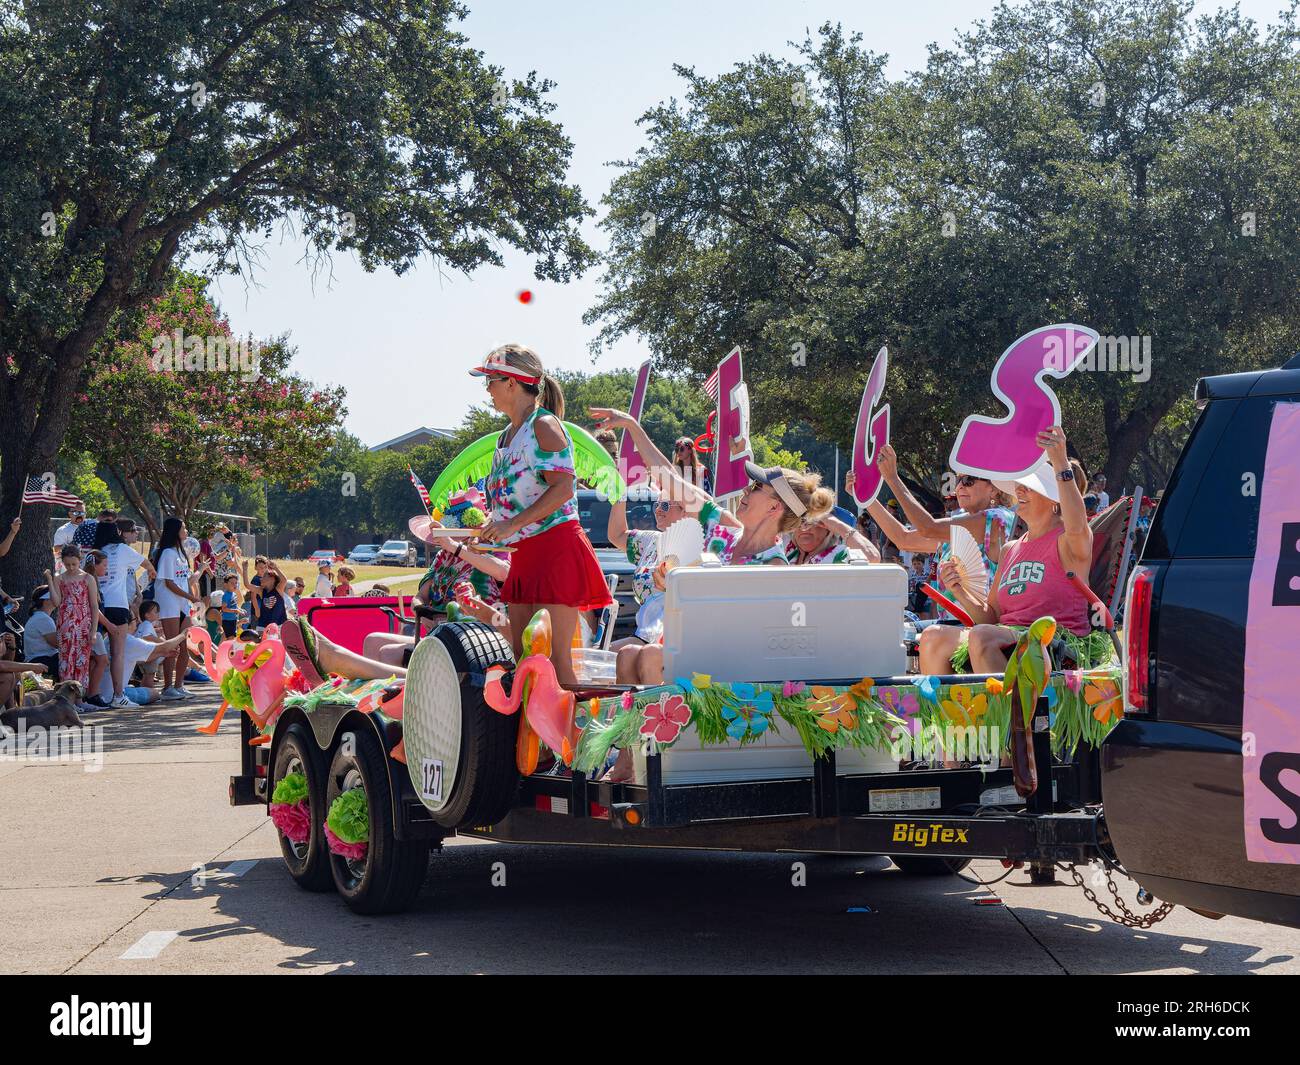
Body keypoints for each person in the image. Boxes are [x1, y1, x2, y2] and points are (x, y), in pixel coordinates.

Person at [472, 344, 611, 687]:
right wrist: (488, 530)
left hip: (555, 549)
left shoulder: (544, 425)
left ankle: (578, 739)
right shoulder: (506, 435)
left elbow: (564, 488)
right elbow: (512, 500)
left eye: (491, 380)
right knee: (525, 662)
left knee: (555, 663)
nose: (486, 389)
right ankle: (531, 742)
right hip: (525, 554)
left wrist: (511, 525)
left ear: (512, 383)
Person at [940, 426, 1111, 673]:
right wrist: (960, 591)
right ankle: (954, 713)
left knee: (981, 637)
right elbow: (992, 616)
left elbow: (1077, 523)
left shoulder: (1068, 540)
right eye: (1018, 485)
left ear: (1054, 499)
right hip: (1007, 636)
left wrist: (1060, 461)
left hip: (1054, 643)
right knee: (933, 638)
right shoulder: (1011, 549)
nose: (1018, 490)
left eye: (1028, 486)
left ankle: (1011, 712)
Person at [860, 448, 1018, 675]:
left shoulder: (996, 520)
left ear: (993, 487)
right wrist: (866, 497)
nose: (960, 486)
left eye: (969, 480)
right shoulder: (954, 529)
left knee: (924, 635)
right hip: (956, 624)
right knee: (889, 631)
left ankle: (932, 706)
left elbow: (927, 527)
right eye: (959, 480)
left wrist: (893, 479)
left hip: (985, 627)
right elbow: (903, 539)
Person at [93, 517, 155, 707]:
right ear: (117, 532)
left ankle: (91, 693)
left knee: (94, 653)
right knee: (117, 653)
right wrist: (152, 572)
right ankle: (118, 696)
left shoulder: (94, 553)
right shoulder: (122, 549)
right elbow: (146, 564)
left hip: (97, 605)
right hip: (118, 606)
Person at [151, 516, 200, 700]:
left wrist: (190, 597)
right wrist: (190, 597)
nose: (186, 531)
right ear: (175, 531)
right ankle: (167, 687)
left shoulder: (180, 553)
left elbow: (183, 580)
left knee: (185, 647)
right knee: (172, 646)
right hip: (169, 603)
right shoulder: (167, 553)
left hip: (182, 605)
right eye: (184, 528)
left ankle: (179, 686)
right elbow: (169, 583)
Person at [44, 546, 98, 690]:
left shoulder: (88, 578)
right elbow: (56, 602)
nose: (71, 567)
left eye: (74, 564)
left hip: (83, 624)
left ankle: (79, 698)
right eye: (67, 564)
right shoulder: (60, 578)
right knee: (66, 659)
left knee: (82, 660)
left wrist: (93, 630)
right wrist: (50, 580)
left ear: (79, 561)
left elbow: (94, 606)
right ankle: (66, 697)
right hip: (65, 623)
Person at [786, 505, 880, 565]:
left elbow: (872, 558)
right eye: (799, 520)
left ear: (829, 528)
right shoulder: (789, 553)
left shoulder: (840, 555)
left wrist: (833, 521)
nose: (804, 527)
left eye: (813, 520)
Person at [23, 585, 60, 678]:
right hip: (42, 661)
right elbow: (57, 643)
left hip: (42, 660)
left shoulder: (39, 617)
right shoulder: (43, 618)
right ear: (46, 601)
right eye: (54, 596)